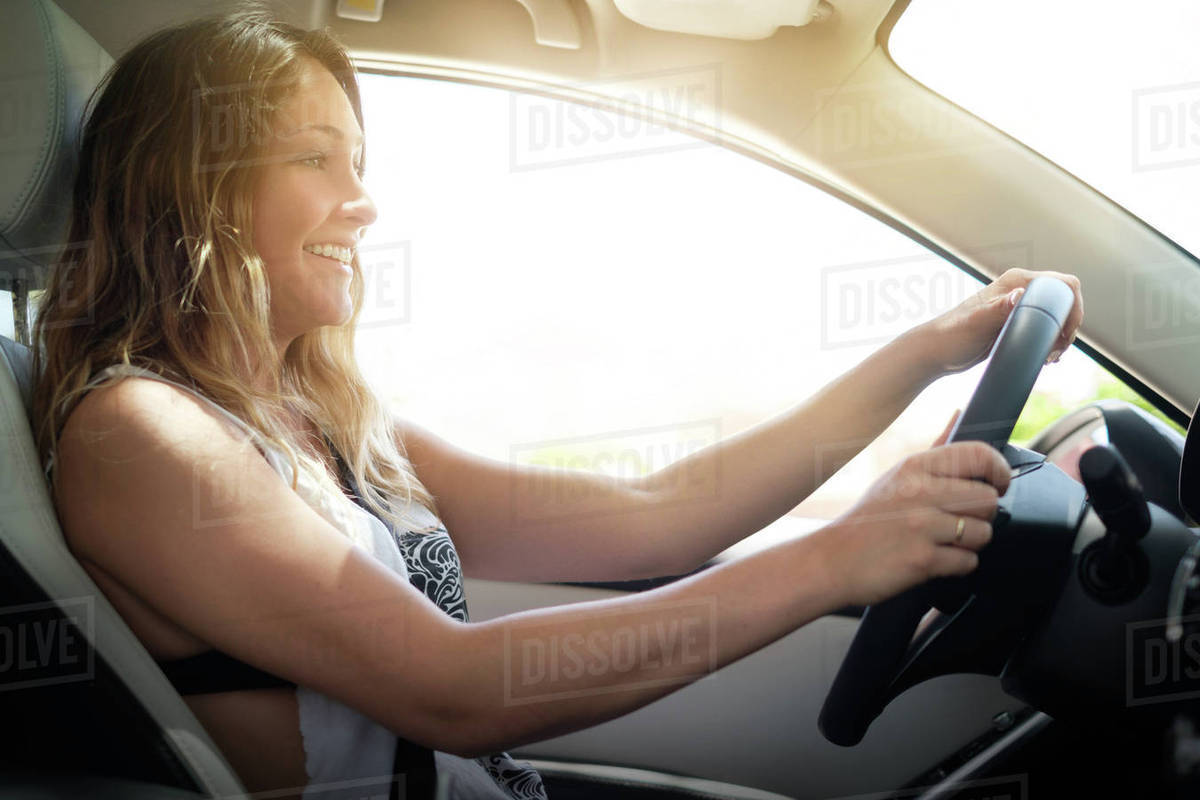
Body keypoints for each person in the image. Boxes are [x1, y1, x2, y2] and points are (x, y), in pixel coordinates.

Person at [29, 8, 1084, 800]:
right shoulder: (137, 432)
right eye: (316, 160)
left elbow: (657, 514)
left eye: (359, 161)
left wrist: (920, 354)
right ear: (195, 187)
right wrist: (838, 557)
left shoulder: (320, 413)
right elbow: (449, 686)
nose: (366, 200)